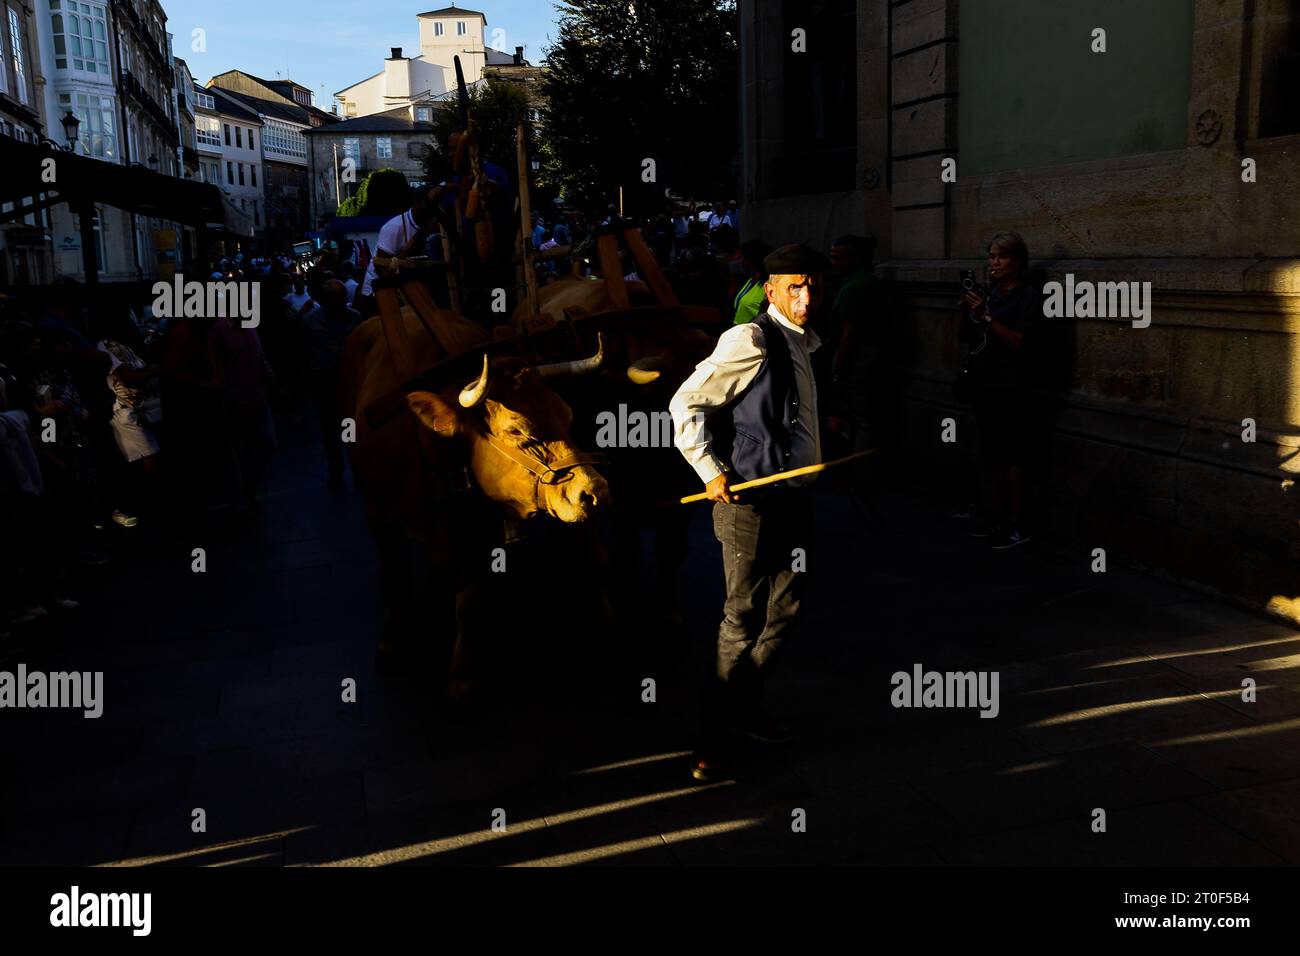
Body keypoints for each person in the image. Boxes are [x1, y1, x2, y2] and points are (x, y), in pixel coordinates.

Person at [668, 242, 830, 783]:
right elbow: (685, 402)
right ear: (771, 290)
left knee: (785, 613)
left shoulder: (805, 343)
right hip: (750, 504)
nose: (805, 297)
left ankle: (746, 707)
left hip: (795, 499)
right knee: (741, 619)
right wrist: (711, 470)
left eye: (812, 286)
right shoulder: (750, 337)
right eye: (794, 287)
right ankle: (711, 737)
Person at [956, 230, 1043, 549]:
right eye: (991, 257)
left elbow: (1020, 341)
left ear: (1018, 260)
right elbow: (964, 336)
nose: (995, 263)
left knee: (1014, 455)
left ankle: (1018, 524)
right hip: (985, 383)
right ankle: (995, 515)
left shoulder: (1028, 295)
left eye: (1002, 256)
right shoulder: (988, 292)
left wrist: (986, 316)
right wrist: (966, 310)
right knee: (991, 453)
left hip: (1014, 385)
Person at [298, 280, 363, 489]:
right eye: (334, 297)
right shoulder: (310, 322)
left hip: (349, 382)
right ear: (325, 301)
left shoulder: (355, 318)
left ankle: (353, 464)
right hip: (324, 382)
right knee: (330, 428)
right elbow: (304, 354)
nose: (339, 301)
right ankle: (337, 468)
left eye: (342, 297)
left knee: (348, 426)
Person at [732, 240, 772, 324]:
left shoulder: (767, 285)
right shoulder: (751, 280)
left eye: (742, 256)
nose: (737, 259)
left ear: (750, 259)